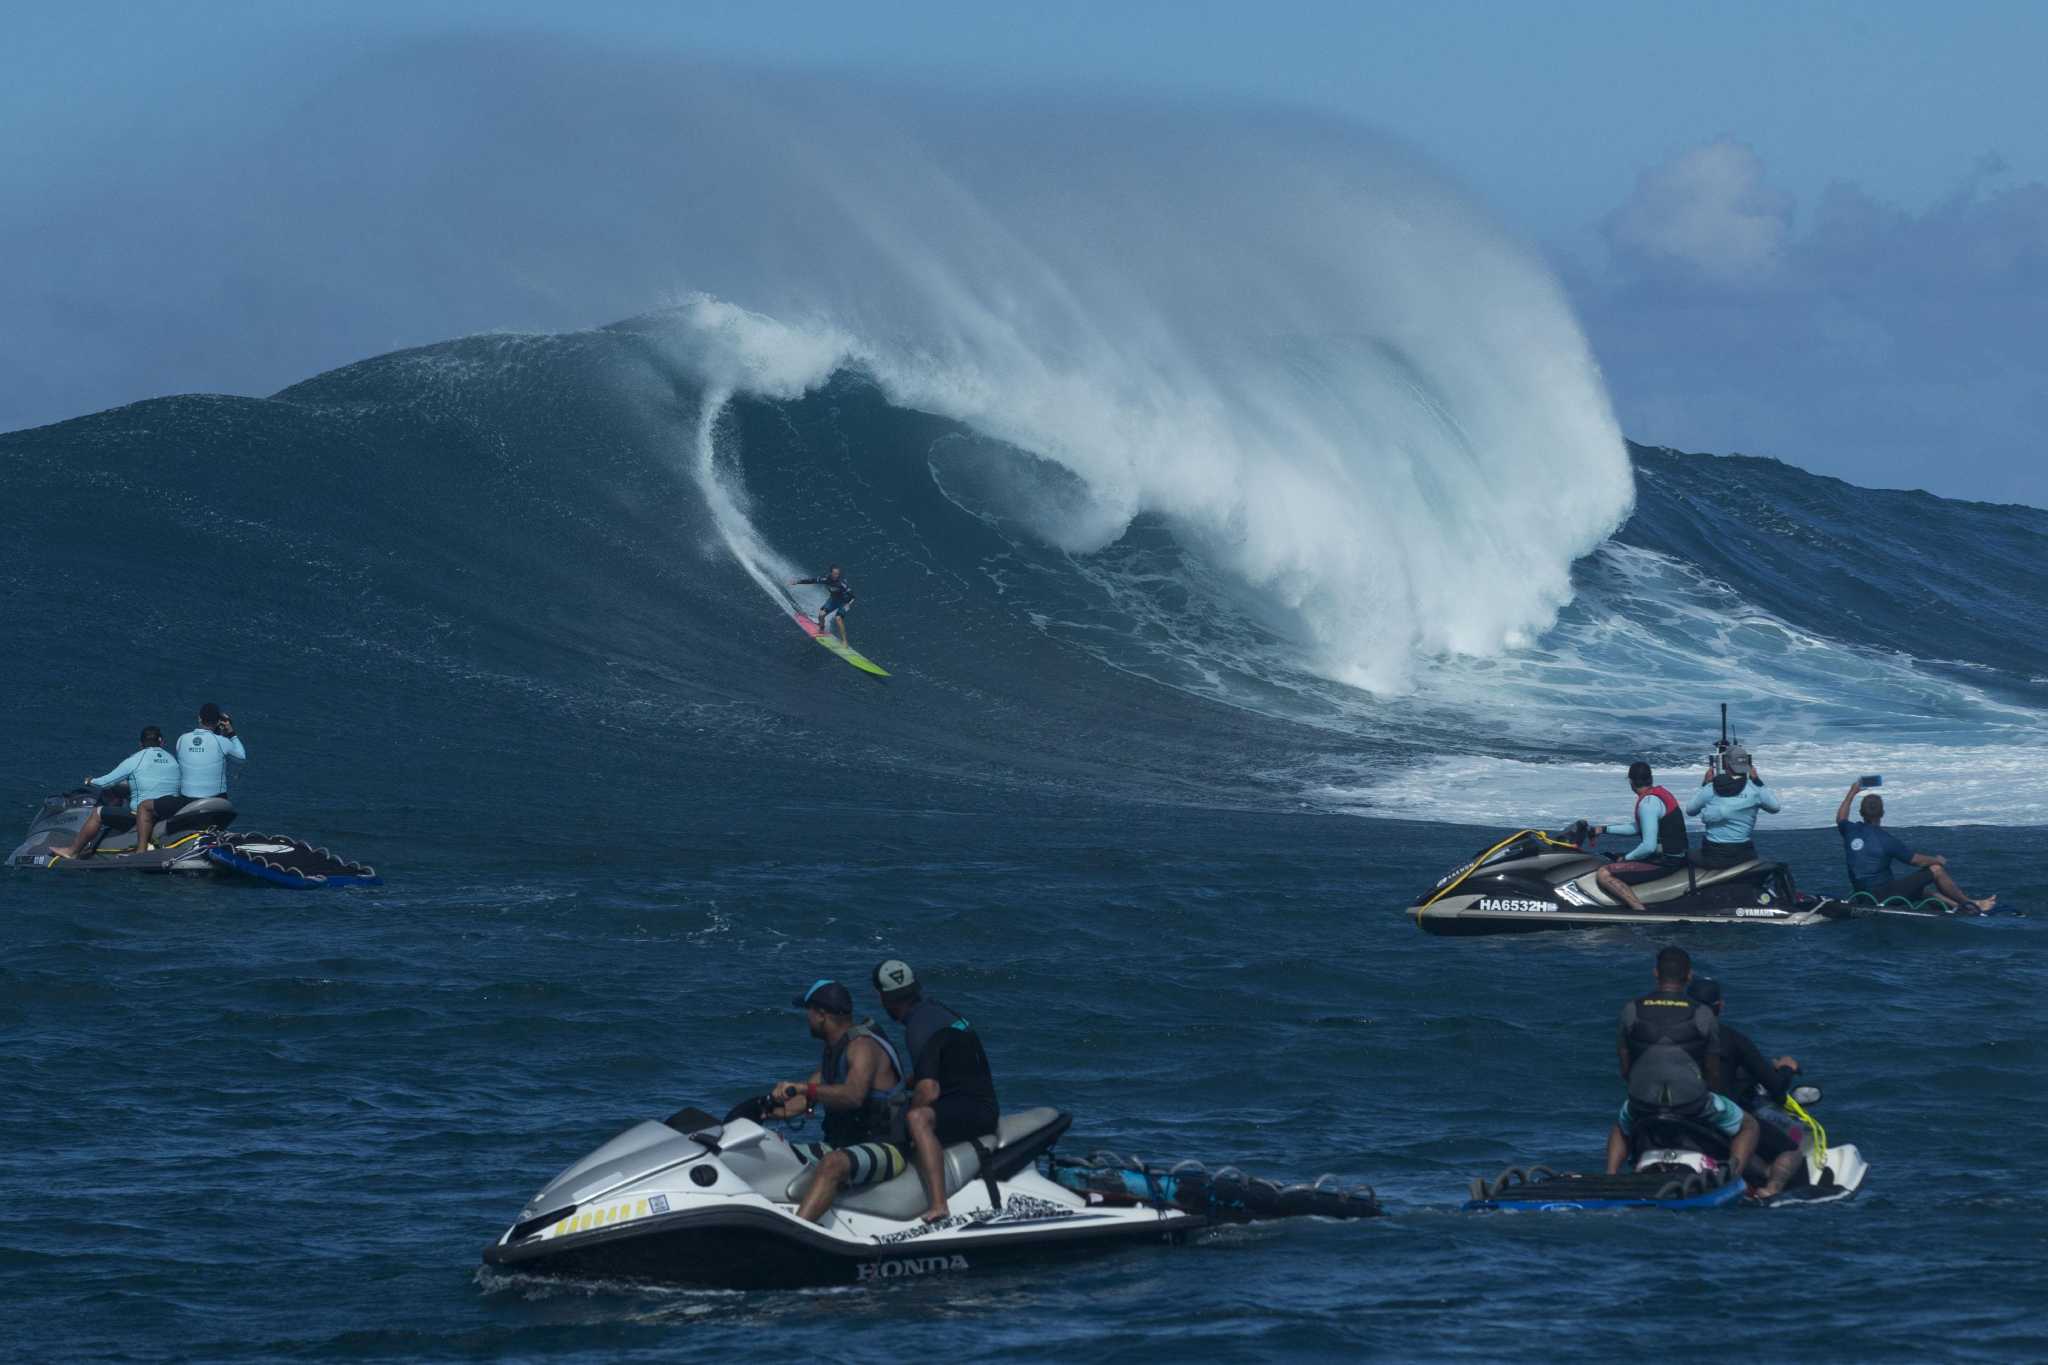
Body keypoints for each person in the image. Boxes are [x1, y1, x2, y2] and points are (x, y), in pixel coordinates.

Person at [1604, 946, 1758, 1181]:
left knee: (1621, 1123)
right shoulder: (1702, 1014)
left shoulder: (1631, 1009)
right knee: (1749, 1126)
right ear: (1689, 976)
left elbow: (1625, 1068)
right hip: (1693, 1104)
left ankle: (1611, 1175)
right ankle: (1731, 1176)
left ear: (1656, 973)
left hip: (1642, 1104)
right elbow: (1712, 1072)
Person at [764, 980, 910, 1223]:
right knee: (776, 1151)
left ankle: (800, 1231)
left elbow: (853, 1096)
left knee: (833, 1164)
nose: (806, 1018)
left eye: (808, 1012)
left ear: (821, 1015)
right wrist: (765, 1112)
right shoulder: (835, 1050)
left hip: (887, 1148)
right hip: (843, 1145)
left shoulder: (863, 1047)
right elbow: (802, 1101)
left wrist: (804, 1087)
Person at [873, 958, 1000, 1223]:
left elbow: (929, 1091)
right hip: (979, 1103)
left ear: (884, 999)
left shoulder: (917, 1028)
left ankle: (939, 1205)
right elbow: (945, 1066)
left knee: (916, 1118)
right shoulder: (935, 1012)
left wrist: (904, 1123)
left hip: (976, 1111)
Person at [1689, 977, 1807, 1201]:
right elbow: (1776, 1090)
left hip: (1679, 1112)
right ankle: (1771, 1190)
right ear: (1720, 1007)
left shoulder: (1673, 1036)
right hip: (1719, 1116)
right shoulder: (1733, 1039)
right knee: (1791, 1151)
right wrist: (1786, 1070)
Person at [1834, 780, 1995, 913]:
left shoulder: (1850, 830)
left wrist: (1852, 791)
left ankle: (1957, 908)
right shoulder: (1886, 840)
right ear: (1882, 813)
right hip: (1882, 896)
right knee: (1936, 870)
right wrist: (1936, 859)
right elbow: (1916, 861)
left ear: (1861, 812)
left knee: (1922, 890)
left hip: (1863, 895)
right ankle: (1972, 904)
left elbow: (1841, 817)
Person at [46, 726, 182, 860]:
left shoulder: (135, 760)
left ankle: (72, 851)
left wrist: (90, 781)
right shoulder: (173, 760)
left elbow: (105, 783)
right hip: (166, 812)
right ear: (162, 742)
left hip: (140, 816)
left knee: (98, 813)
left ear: (140, 744)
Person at [1592, 760, 1689, 911]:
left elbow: (1648, 847)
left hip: (1666, 861)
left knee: (1604, 873)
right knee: (1615, 858)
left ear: (1631, 781)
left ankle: (1639, 910)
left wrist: (1626, 859)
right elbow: (1638, 828)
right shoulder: (1659, 795)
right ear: (1650, 778)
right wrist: (1603, 830)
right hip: (1673, 855)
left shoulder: (1648, 803)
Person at [144, 703, 246, 831]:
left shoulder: (182, 740)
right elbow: (241, 758)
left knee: (145, 806)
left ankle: (141, 849)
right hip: (217, 802)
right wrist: (231, 733)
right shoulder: (222, 741)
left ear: (199, 718)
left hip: (188, 802)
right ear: (218, 722)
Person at [1683, 743, 1780, 870]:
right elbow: (1775, 807)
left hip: (1713, 853)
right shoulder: (1755, 789)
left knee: (1687, 856)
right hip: (1743, 854)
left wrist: (1705, 783)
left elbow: (1690, 810)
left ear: (1726, 765)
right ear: (1747, 765)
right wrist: (1757, 780)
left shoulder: (1710, 788)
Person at [787, 566, 856, 645]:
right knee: (821, 615)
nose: (836, 575)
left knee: (838, 619)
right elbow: (812, 580)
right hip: (834, 600)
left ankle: (845, 641)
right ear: (831, 573)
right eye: (834, 573)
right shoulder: (825, 579)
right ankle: (822, 630)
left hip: (844, 602)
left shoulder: (842, 583)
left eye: (838, 574)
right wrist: (797, 582)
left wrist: (848, 604)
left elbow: (853, 596)